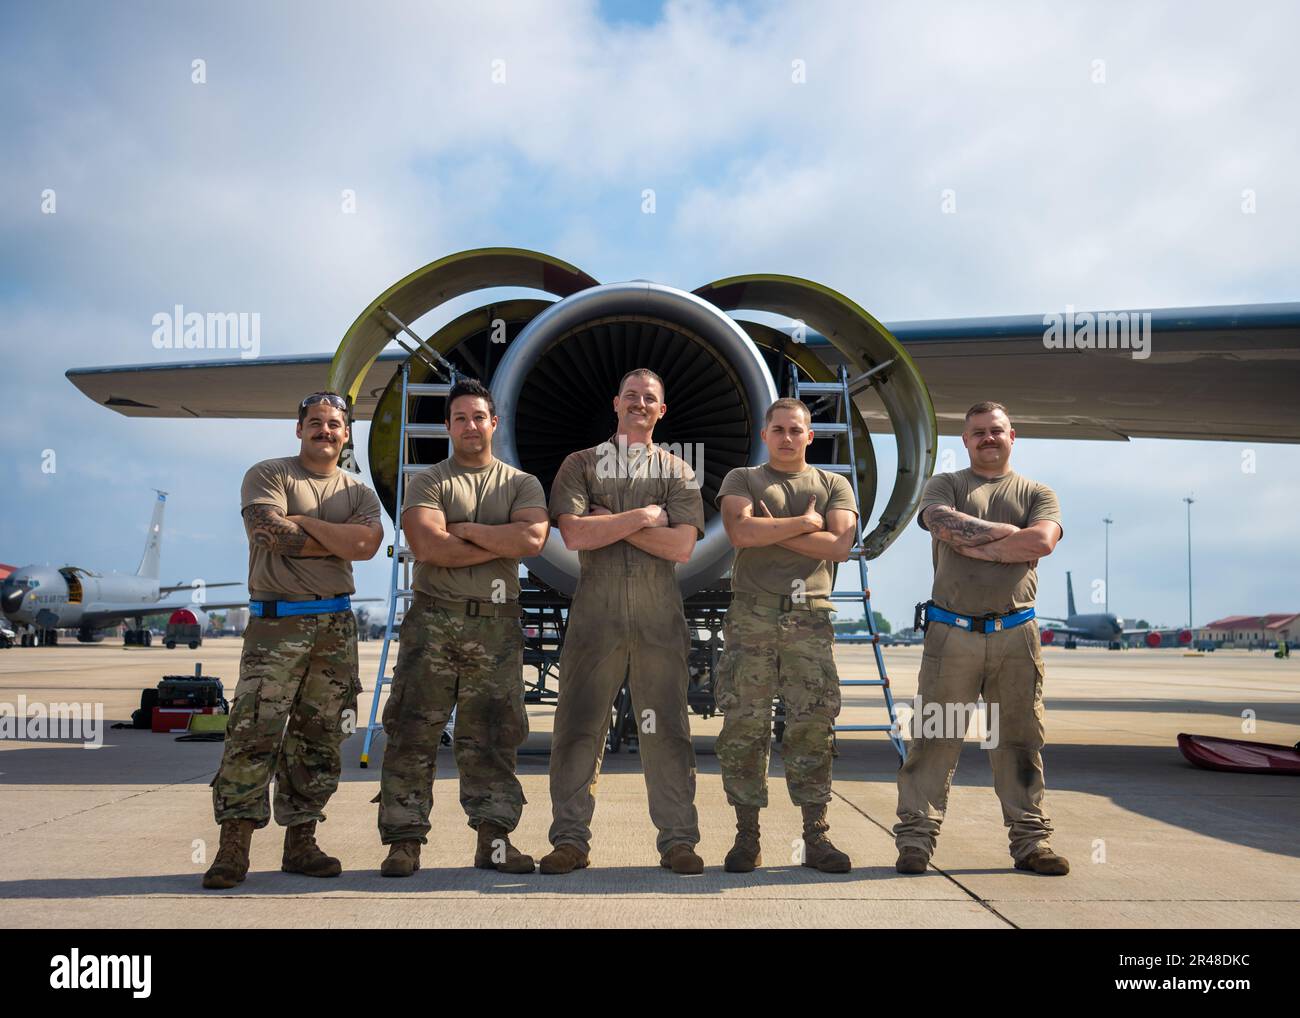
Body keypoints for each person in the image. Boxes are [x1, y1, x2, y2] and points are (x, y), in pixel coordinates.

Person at [204, 391, 384, 889]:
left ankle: (301, 841)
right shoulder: (269, 474)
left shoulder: (358, 492)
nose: (325, 431)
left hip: (335, 628)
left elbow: (368, 546)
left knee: (320, 738)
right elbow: (267, 533)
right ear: (299, 428)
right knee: (253, 733)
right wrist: (335, 538)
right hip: (275, 626)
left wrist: (304, 523)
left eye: (335, 424)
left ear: (347, 434)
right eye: (316, 422)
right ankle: (232, 847)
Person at [377, 378, 549, 877]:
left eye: (478, 416)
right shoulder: (429, 481)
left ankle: (494, 842)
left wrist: (467, 530)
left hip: (495, 628)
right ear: (448, 427)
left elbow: (534, 539)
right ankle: (404, 843)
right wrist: (502, 539)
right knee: (413, 731)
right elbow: (431, 547)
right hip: (433, 623)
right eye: (460, 418)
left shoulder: (522, 484)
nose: (470, 426)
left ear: (494, 423)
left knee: (494, 737)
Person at [540, 368, 706, 875]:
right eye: (630, 396)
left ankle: (678, 841)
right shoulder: (580, 464)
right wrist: (641, 519)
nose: (639, 403)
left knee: (669, 731)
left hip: (659, 619)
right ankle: (570, 840)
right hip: (597, 618)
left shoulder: (678, 472)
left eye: (649, 398)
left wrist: (608, 522)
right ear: (615, 403)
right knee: (577, 729)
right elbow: (572, 535)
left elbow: (681, 546)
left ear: (661, 411)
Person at [894, 400, 1069, 876]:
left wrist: (977, 542)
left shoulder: (1039, 492)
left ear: (1014, 436)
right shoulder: (946, 484)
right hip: (952, 634)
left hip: (1016, 635)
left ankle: (1032, 843)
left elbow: (1041, 543)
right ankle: (915, 842)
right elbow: (939, 523)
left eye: (996, 431)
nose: (987, 439)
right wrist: (1009, 539)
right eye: (978, 433)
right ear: (965, 440)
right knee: (933, 738)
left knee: (1018, 741)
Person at [714, 398, 859, 873]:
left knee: (812, 727)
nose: (787, 437)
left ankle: (816, 837)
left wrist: (768, 529)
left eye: (796, 430)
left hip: (809, 619)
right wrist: (802, 524)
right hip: (751, 617)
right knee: (744, 728)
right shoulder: (742, 479)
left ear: (809, 436)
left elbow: (839, 545)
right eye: (778, 429)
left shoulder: (834, 484)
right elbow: (738, 533)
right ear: (765, 434)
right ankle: (746, 837)